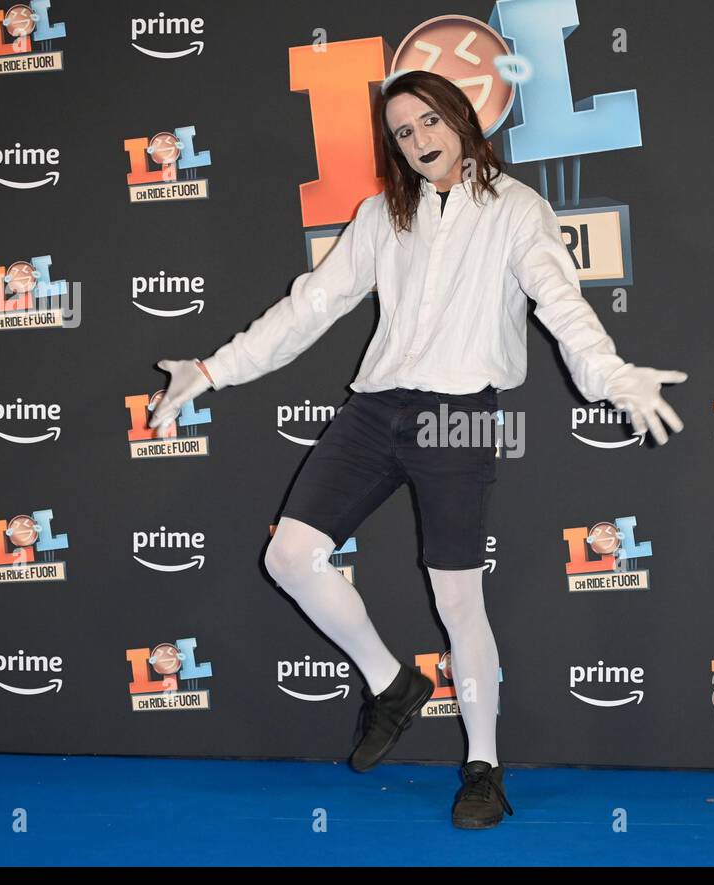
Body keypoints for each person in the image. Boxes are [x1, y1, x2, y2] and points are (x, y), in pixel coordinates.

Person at [149, 69, 686, 829]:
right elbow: (312, 305)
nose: (420, 141)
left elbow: (561, 302)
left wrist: (612, 376)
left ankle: (484, 767)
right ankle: (391, 684)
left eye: (430, 122)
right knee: (290, 557)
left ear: (463, 120)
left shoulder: (516, 210)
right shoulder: (381, 215)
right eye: (403, 133)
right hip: (374, 411)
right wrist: (210, 371)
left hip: (457, 417)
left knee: (458, 597)